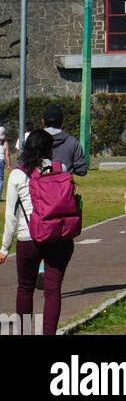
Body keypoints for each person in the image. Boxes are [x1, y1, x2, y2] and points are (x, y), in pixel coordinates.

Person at [0, 130, 77, 334]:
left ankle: (24, 332)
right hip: (59, 237)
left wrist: (5, 247)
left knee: (25, 288)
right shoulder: (61, 169)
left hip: (29, 238)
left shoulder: (18, 174)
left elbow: (11, 216)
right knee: (53, 291)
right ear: (49, 149)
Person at [41, 105, 87, 176]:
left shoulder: (33, 140)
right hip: (63, 185)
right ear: (62, 122)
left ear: (43, 122)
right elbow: (81, 170)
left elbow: (22, 164)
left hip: (39, 185)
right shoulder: (72, 142)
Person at [0, 127, 10, 204]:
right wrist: (8, 165)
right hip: (1, 161)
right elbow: (7, 154)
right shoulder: (5, 142)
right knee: (0, 179)